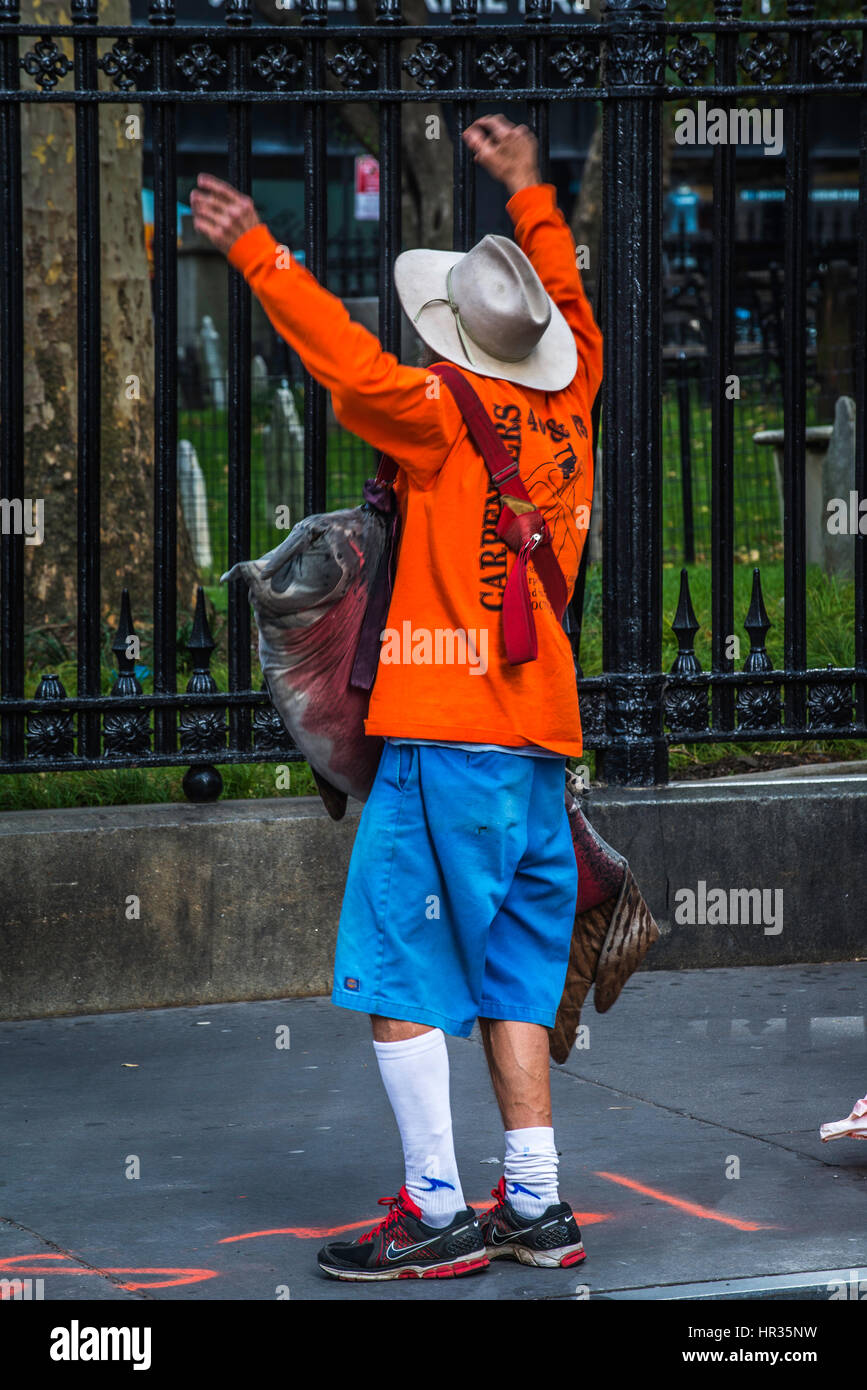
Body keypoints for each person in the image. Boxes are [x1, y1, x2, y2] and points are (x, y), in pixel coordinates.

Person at [191, 113, 603, 1282]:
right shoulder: (575, 407)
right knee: (519, 972)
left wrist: (260, 251)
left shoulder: (438, 421)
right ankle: (537, 1204)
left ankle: (434, 1210)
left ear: (457, 336)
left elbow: (343, 361)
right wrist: (531, 192)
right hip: (540, 743)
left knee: (394, 966)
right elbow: (569, 307)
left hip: (448, 741)